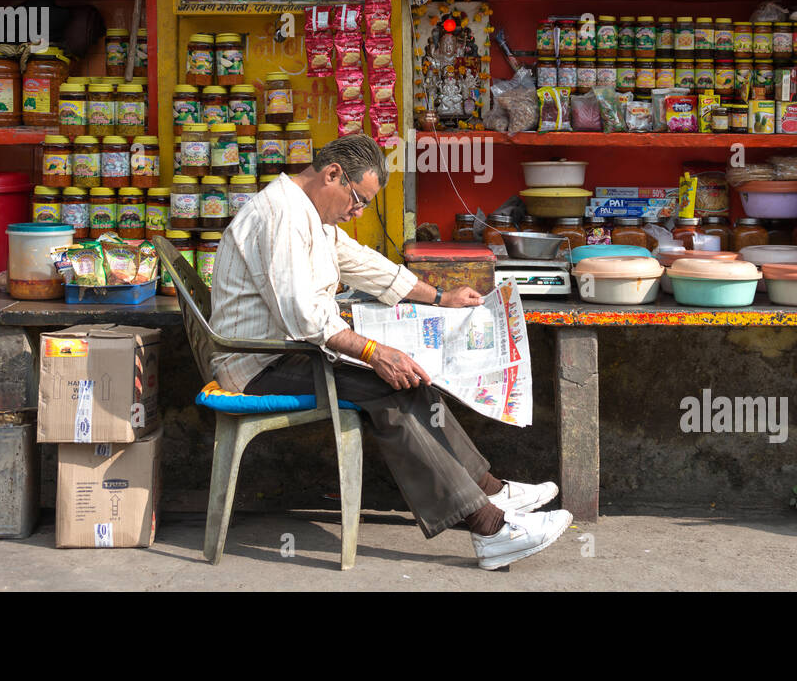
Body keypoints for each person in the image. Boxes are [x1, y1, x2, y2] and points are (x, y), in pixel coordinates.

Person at [209, 135, 572, 569]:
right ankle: (489, 528)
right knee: (390, 390)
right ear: (332, 175)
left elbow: (364, 264)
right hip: (257, 362)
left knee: (412, 377)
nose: (357, 212)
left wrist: (439, 298)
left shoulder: (312, 213)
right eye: (358, 199)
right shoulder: (281, 215)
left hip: (292, 352)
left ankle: (491, 490)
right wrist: (373, 351)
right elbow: (304, 318)